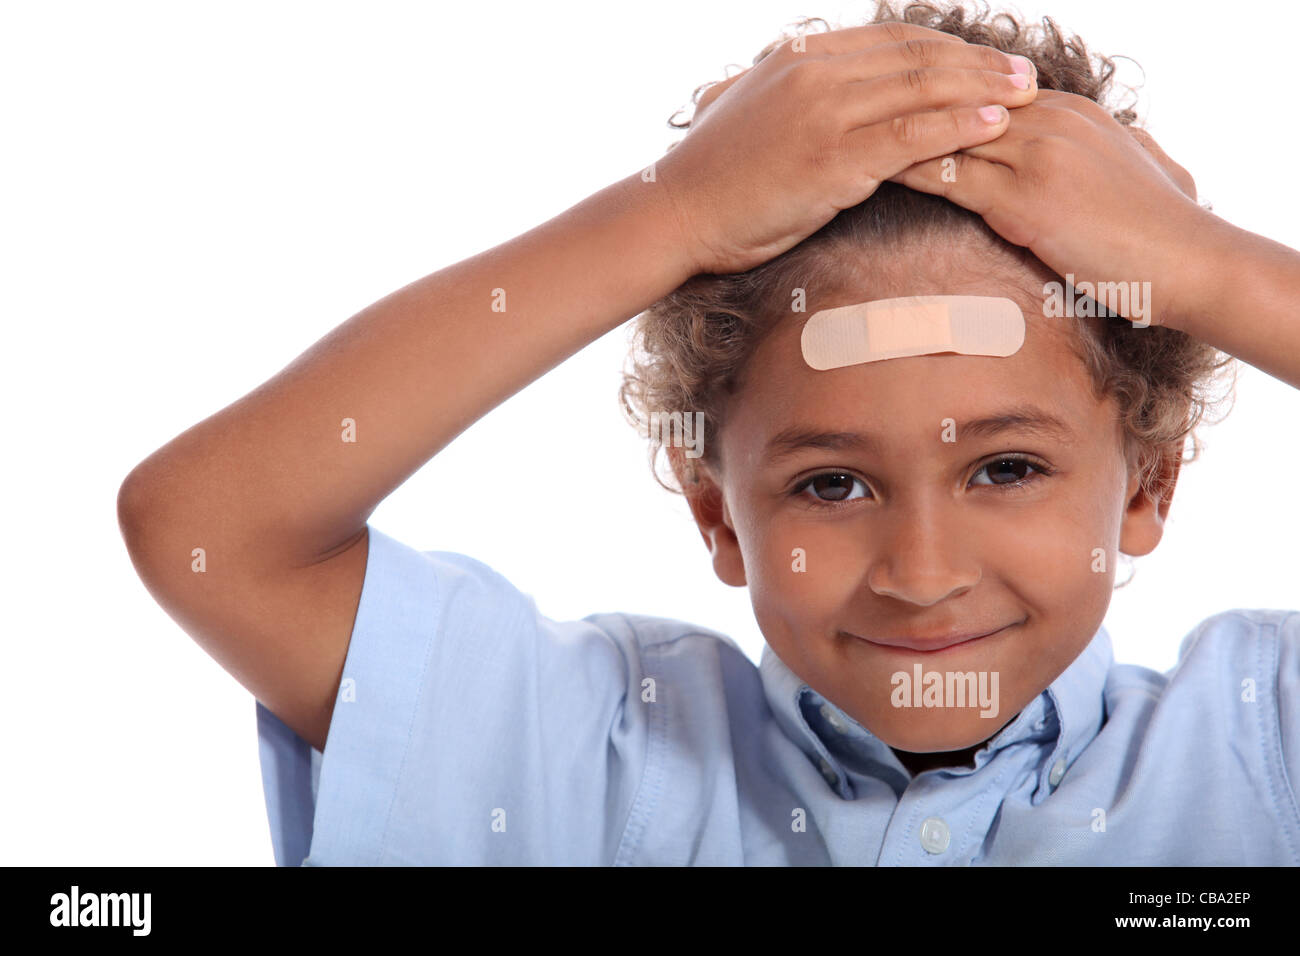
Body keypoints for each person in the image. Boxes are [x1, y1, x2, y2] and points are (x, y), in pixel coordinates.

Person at [118, 1, 1300, 864]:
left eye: (1004, 467)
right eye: (832, 484)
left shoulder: (1263, 745)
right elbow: (212, 533)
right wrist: (671, 211)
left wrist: (1211, 272)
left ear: (1147, 482)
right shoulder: (597, 759)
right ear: (713, 510)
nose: (923, 574)